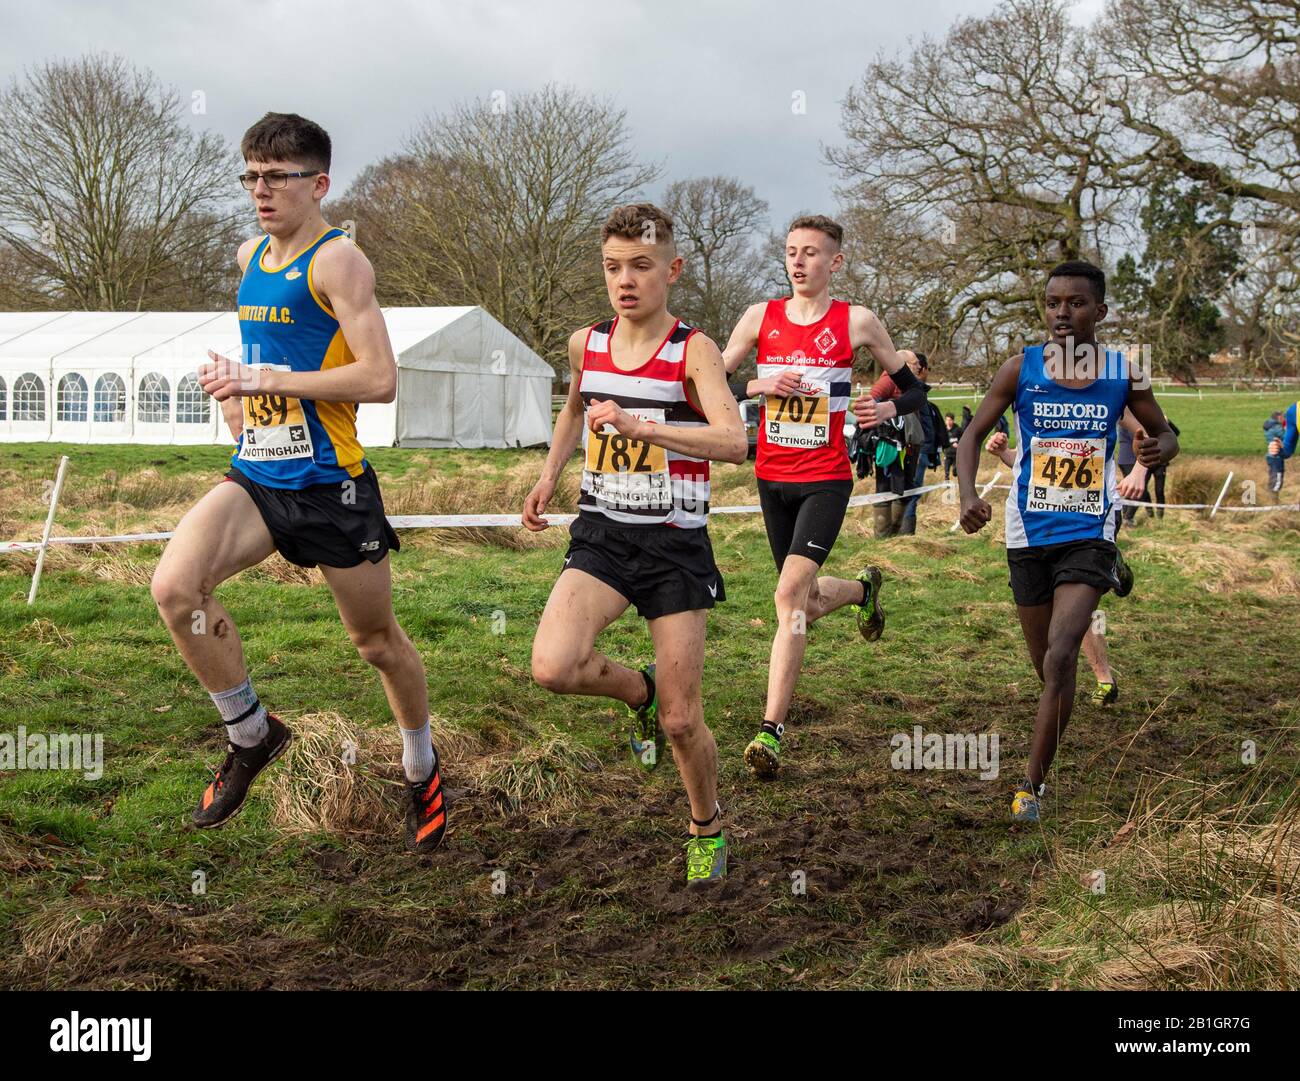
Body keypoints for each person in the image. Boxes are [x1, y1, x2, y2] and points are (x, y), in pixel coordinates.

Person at [150, 113, 448, 853]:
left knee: (375, 640)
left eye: (276, 177)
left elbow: (379, 378)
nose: (260, 189)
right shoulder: (251, 254)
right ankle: (252, 732)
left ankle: (421, 761)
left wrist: (271, 377)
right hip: (259, 475)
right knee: (175, 589)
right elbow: (263, 375)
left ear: (317, 183)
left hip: (332, 486)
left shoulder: (339, 262)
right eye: (250, 175)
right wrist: (235, 396)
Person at [523, 203, 747, 883]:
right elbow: (573, 406)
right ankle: (636, 692)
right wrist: (549, 472)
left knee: (684, 722)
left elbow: (735, 441)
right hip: (603, 535)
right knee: (554, 666)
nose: (625, 281)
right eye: (613, 267)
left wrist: (647, 430)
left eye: (641, 267)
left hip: (675, 543)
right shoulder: (584, 343)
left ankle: (705, 821)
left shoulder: (693, 350)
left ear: (672, 270)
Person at [957, 259, 1178, 824]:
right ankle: (1056, 717)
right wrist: (966, 496)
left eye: (1076, 303)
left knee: (1061, 656)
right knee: (1048, 669)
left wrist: (1158, 451)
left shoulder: (1123, 374)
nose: (1062, 312)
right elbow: (972, 435)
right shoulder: (1019, 369)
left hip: (1090, 527)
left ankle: (1030, 786)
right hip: (1028, 530)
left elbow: (1165, 432)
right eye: (1053, 302)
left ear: (1099, 311)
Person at [721, 214, 923, 778]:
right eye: (791, 251)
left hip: (826, 478)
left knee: (787, 598)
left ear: (834, 263)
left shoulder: (855, 321)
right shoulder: (759, 317)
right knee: (803, 603)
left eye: (811, 252)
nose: (798, 261)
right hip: (772, 477)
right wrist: (758, 386)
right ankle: (862, 590)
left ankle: (771, 731)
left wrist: (886, 407)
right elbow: (709, 377)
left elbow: (915, 391)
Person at [861, 349, 930, 537]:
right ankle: (883, 535)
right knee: (886, 485)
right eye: (915, 363)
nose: (918, 367)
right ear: (904, 364)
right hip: (890, 442)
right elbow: (872, 399)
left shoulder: (912, 384)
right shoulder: (889, 379)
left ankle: (897, 534)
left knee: (906, 485)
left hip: (909, 443)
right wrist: (887, 417)